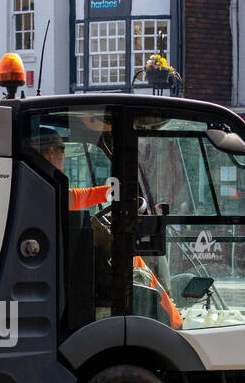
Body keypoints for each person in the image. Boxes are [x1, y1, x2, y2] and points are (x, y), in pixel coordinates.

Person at [32, 127, 184, 329]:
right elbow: (73, 198)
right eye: (63, 152)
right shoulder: (42, 186)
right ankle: (172, 321)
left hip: (58, 261)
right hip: (63, 265)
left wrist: (113, 191)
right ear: (51, 153)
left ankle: (170, 317)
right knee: (134, 263)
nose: (65, 158)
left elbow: (76, 197)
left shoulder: (40, 184)